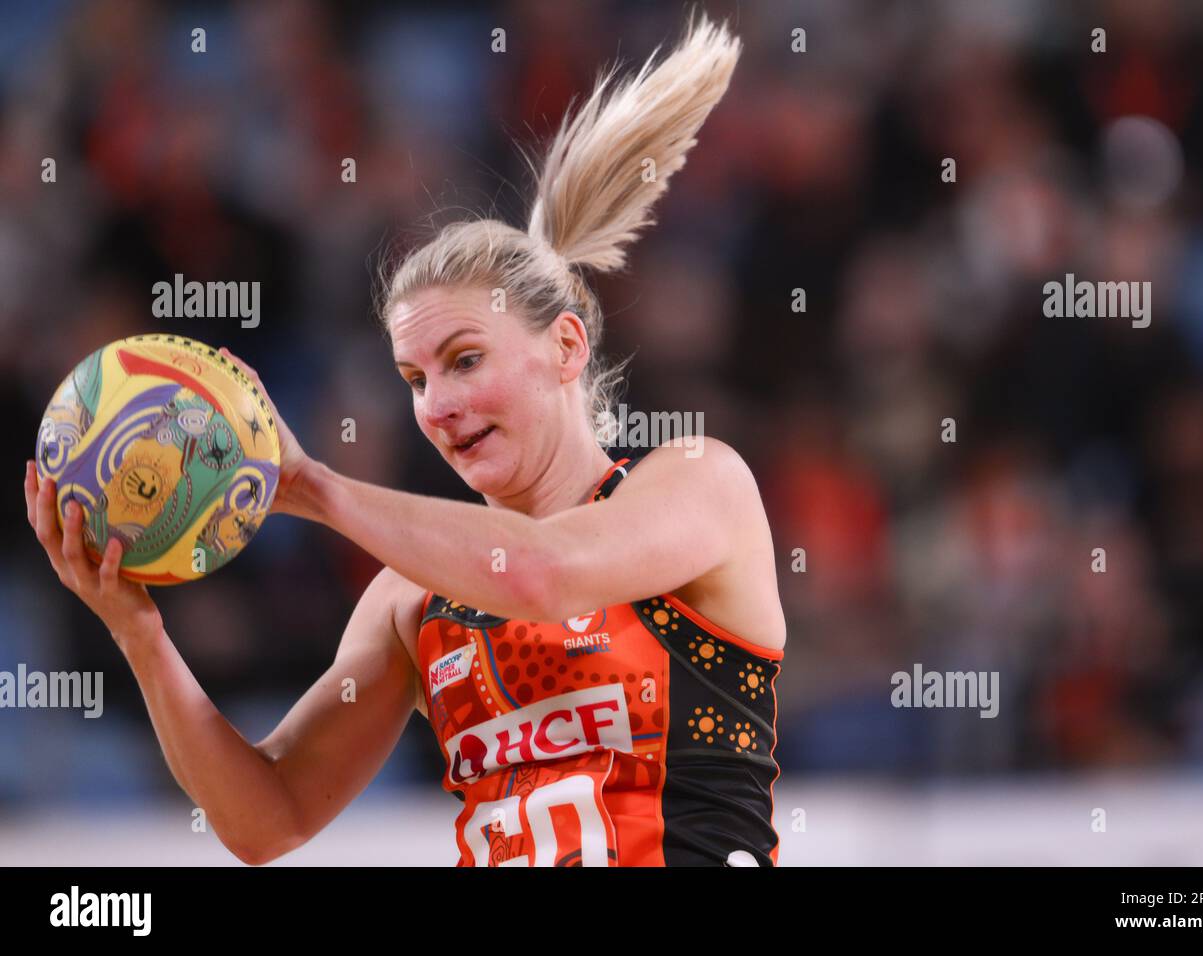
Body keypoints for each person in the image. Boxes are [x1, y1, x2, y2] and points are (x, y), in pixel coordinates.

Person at [24, 12, 785, 867]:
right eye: (416, 380)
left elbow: (541, 570)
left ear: (566, 347)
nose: (440, 404)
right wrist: (141, 637)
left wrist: (313, 487)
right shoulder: (410, 601)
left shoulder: (697, 481)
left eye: (465, 360)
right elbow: (267, 817)